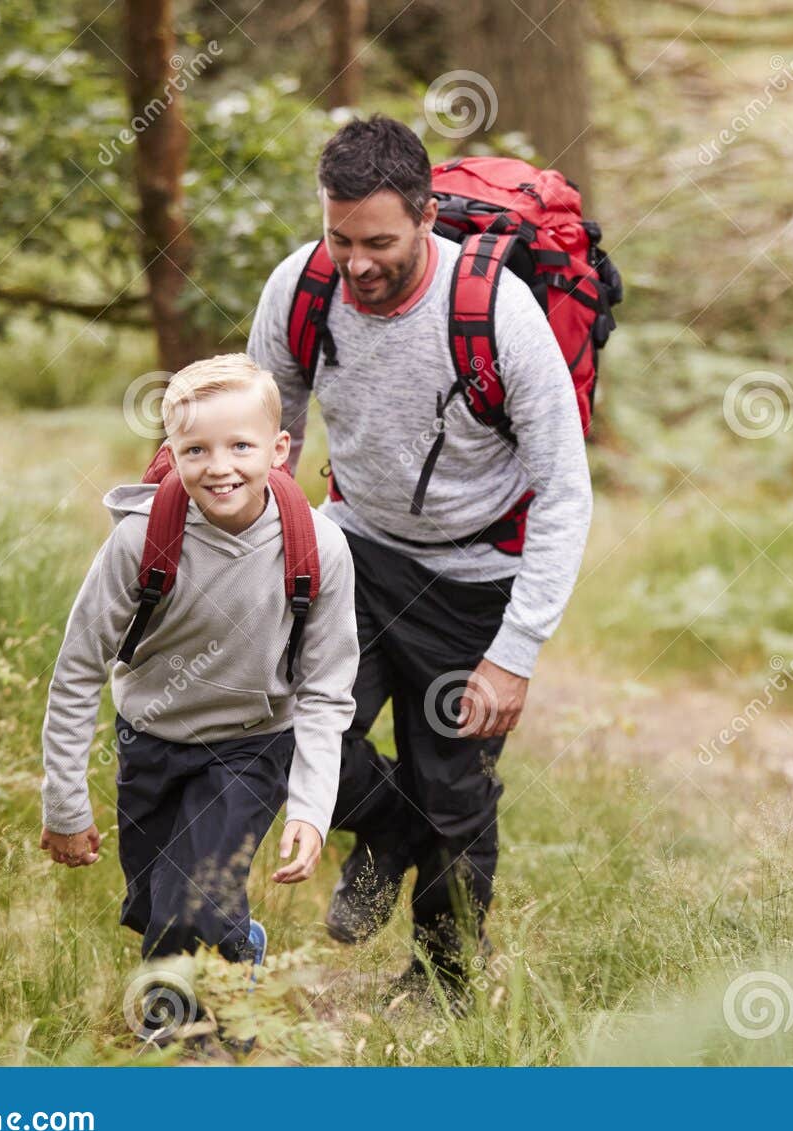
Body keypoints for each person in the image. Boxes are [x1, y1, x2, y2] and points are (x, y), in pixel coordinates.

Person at [246, 115, 592, 996]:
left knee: (458, 789)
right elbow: (265, 443)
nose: (357, 263)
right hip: (355, 550)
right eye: (339, 237)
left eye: (380, 243)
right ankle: (394, 824)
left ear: (427, 216)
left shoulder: (496, 313)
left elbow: (565, 491)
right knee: (277, 718)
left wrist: (512, 655)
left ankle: (442, 984)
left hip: (475, 581)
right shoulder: (303, 287)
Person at [39, 353, 358, 968]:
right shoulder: (139, 541)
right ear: (174, 452)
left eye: (241, 445)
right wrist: (64, 803)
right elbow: (78, 669)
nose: (220, 468)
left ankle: (193, 1048)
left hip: (251, 744)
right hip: (151, 740)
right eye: (196, 451)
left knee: (191, 906)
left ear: (279, 448)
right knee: (152, 907)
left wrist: (312, 809)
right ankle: (241, 948)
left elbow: (325, 689)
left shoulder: (319, 548)